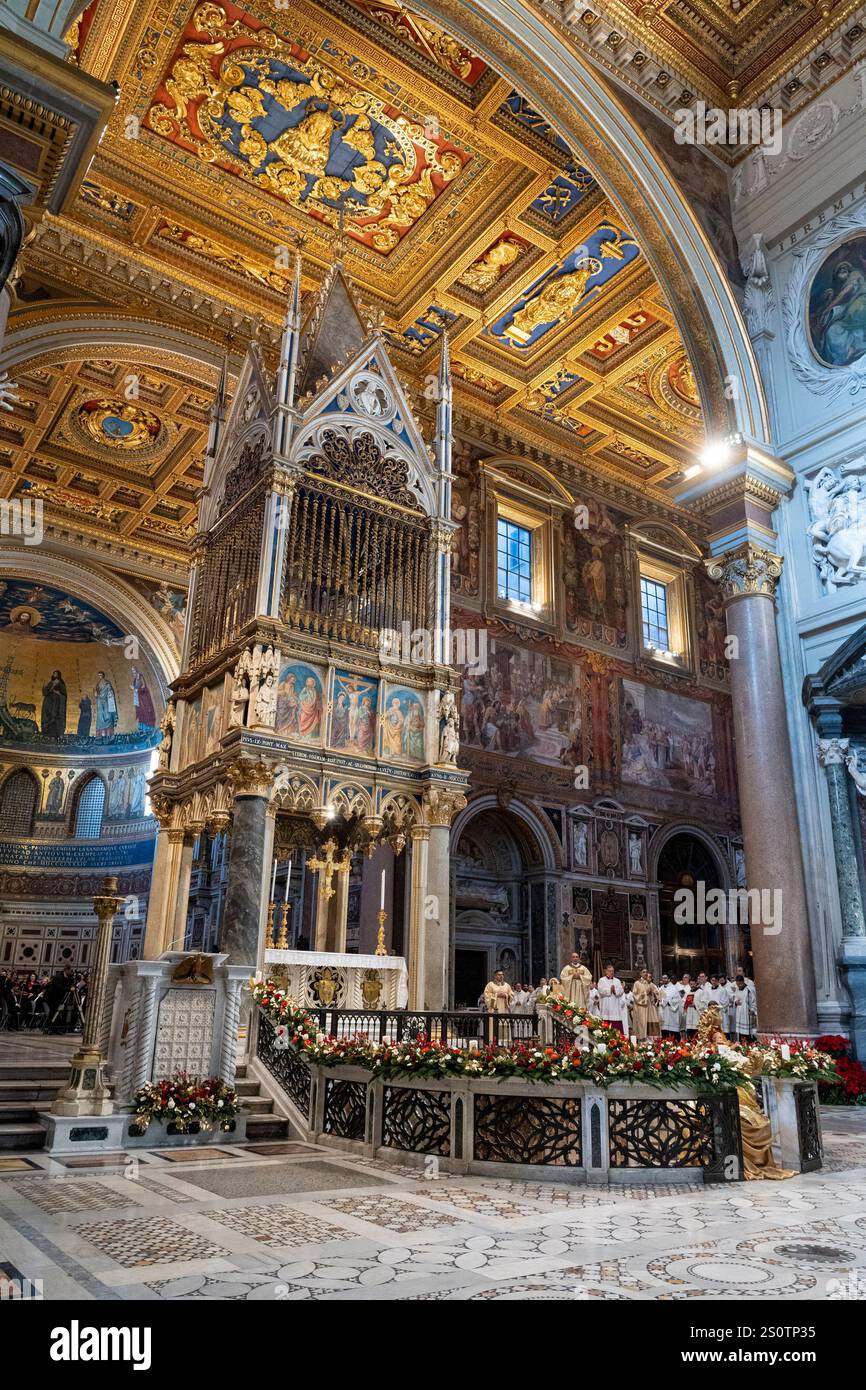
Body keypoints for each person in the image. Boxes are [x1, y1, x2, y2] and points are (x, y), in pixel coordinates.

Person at [693, 1006, 795, 1180]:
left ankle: (749, 1158)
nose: (720, 1041)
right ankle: (729, 1160)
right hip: (722, 1096)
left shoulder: (734, 1053)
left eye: (722, 1038)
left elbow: (745, 1069)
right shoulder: (708, 1055)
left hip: (741, 1092)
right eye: (716, 1039)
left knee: (756, 1119)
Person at [483, 970, 513, 1043]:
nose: (501, 976)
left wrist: (506, 996)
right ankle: (493, 1041)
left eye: (502, 975)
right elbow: (486, 996)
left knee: (504, 1024)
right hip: (494, 1009)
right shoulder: (490, 985)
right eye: (499, 975)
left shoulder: (507, 985)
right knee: (494, 1025)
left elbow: (511, 995)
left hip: (504, 1009)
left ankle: (504, 1042)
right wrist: (496, 995)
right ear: (495, 976)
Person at [597, 963, 625, 1034]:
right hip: (606, 1005)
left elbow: (621, 991)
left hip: (615, 1006)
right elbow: (600, 990)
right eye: (609, 971)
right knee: (606, 1023)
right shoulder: (601, 980)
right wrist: (610, 990)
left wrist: (615, 991)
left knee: (616, 1025)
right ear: (606, 971)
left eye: (612, 971)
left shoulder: (617, 981)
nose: (611, 972)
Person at [41, 669, 67, 737]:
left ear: (58, 675)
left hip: (56, 703)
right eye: (53, 674)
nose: (54, 675)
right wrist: (44, 687)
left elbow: (64, 695)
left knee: (54, 716)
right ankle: (46, 733)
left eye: (55, 674)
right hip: (48, 702)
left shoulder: (61, 683)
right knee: (47, 716)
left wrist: (58, 693)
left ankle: (56, 734)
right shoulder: (50, 683)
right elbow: (45, 693)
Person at [731, 973, 757, 1041]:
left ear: (742, 982)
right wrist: (735, 1002)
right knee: (740, 1032)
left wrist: (752, 1009)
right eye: (737, 984)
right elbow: (735, 998)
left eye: (740, 984)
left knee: (747, 1033)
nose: (739, 986)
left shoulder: (749, 990)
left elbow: (754, 1001)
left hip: (746, 1013)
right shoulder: (737, 989)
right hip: (739, 1012)